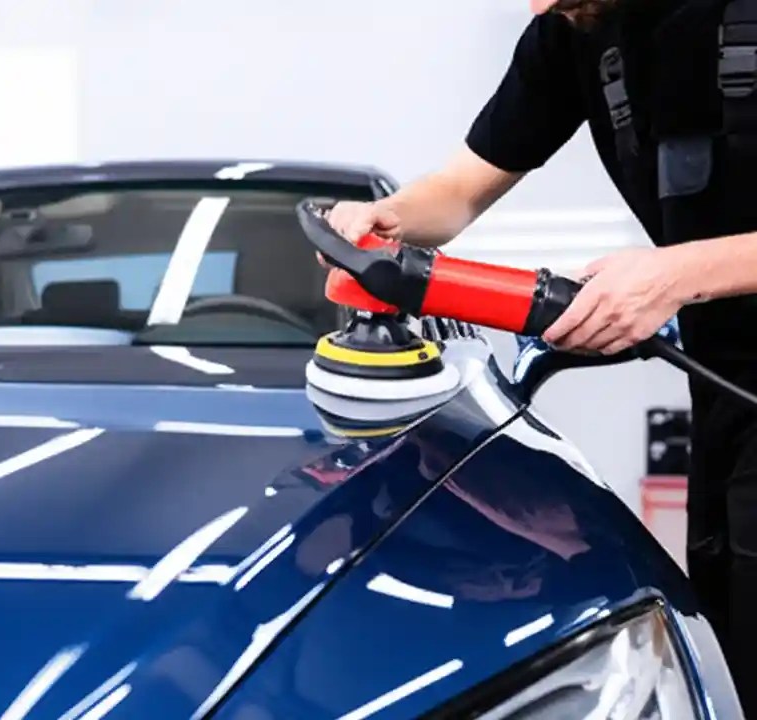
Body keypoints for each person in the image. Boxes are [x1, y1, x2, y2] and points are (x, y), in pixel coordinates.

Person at [321, 0, 757, 711]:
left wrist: (672, 276)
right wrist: (385, 221)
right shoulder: (573, 30)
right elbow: (459, 194)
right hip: (725, 397)